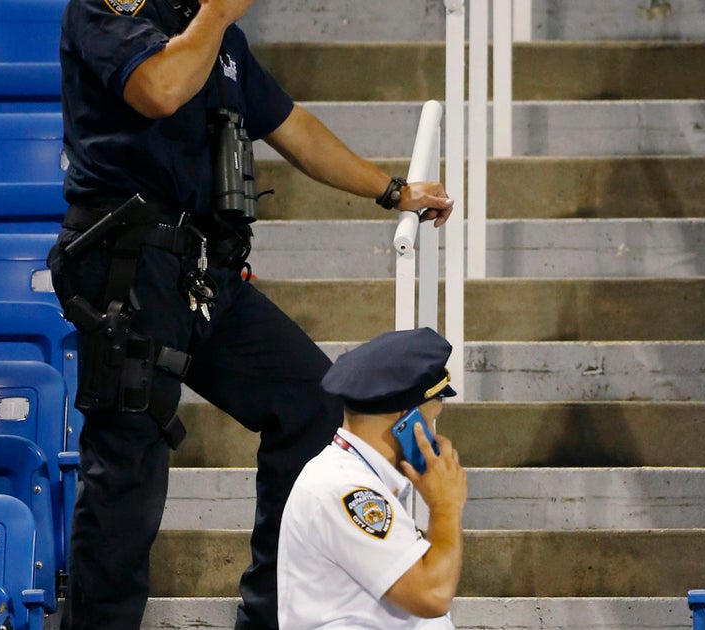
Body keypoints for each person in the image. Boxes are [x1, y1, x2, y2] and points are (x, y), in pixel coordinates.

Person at [47, 0, 454, 628]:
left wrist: (392, 189)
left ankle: (269, 617)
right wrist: (213, 15)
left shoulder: (226, 40)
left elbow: (295, 130)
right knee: (127, 470)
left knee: (311, 403)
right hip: (129, 268)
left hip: (205, 273)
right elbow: (158, 88)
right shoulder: (112, 8)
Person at [277, 327, 467, 629]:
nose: (434, 435)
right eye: (430, 419)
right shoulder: (345, 489)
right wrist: (446, 506)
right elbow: (432, 594)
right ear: (407, 420)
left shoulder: (359, 477)